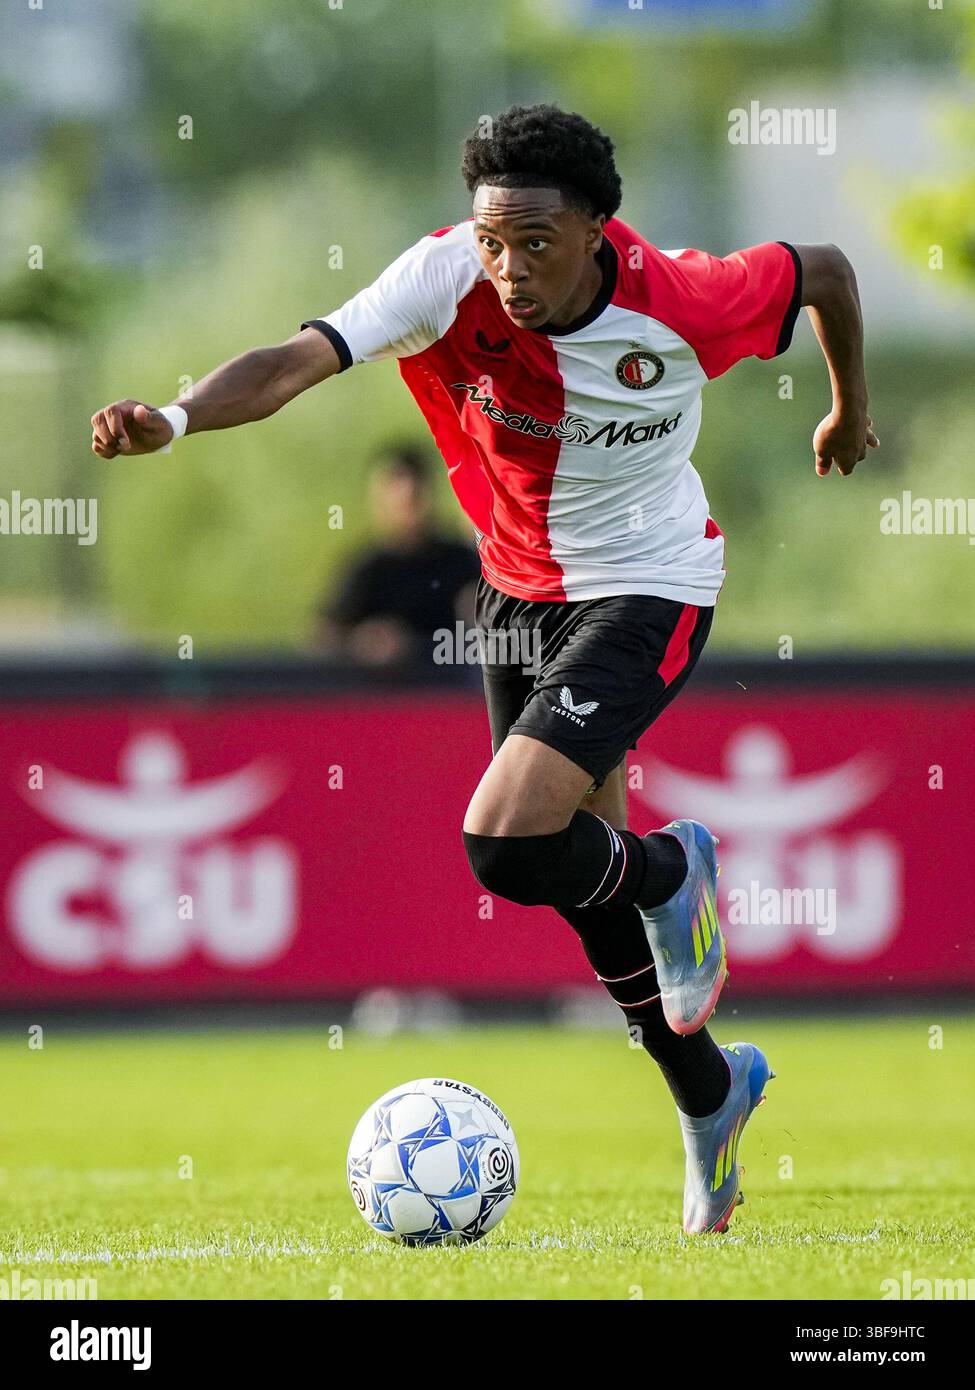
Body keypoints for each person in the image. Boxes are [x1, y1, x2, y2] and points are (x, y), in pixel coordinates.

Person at [91, 103, 878, 1236]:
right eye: (493, 240)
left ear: (601, 228)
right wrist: (172, 417)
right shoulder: (443, 275)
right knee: (573, 878)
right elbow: (290, 362)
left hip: (652, 584)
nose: (507, 269)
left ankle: (671, 869)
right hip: (516, 597)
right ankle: (711, 1093)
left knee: (503, 843)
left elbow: (831, 271)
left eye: (536, 244)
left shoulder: (691, 299)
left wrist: (850, 408)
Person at [315, 442, 480, 669]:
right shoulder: (369, 568)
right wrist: (363, 641)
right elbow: (323, 636)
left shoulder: (462, 560)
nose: (407, 496)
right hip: (390, 698)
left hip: (454, 692)